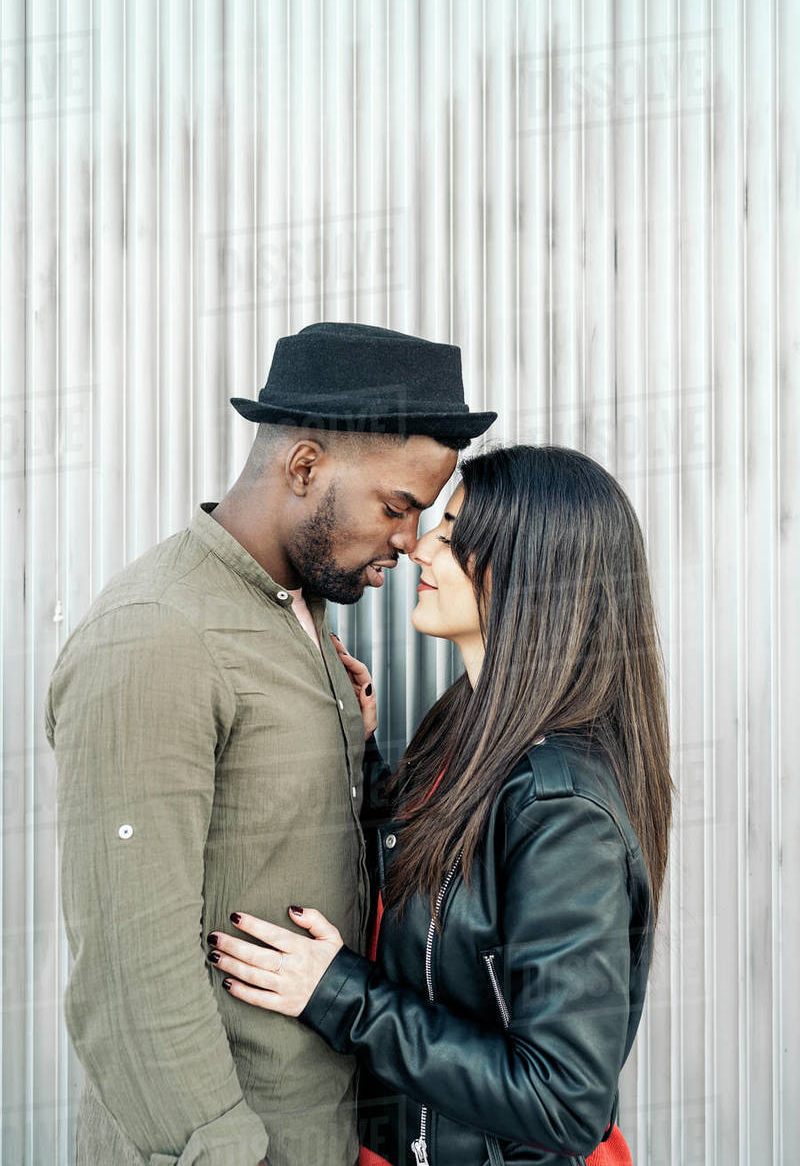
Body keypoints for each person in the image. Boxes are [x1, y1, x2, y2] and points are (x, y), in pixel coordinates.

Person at [44, 322, 497, 1166]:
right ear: (303, 469)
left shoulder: (302, 615)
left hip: (321, 1129)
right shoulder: (157, 637)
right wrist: (225, 1149)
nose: (410, 542)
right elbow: (128, 969)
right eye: (396, 507)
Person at [198, 445, 673, 1166]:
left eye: (450, 536)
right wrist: (359, 758)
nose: (419, 547)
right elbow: (429, 903)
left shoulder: (562, 811)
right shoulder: (463, 733)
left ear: (528, 575)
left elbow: (563, 1100)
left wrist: (338, 996)